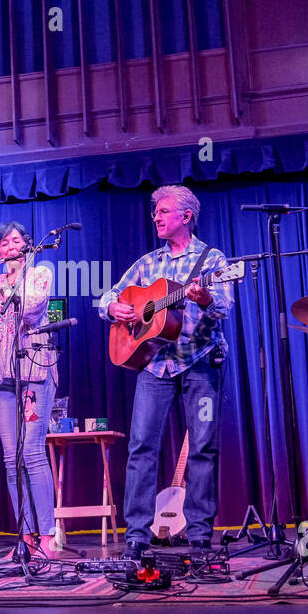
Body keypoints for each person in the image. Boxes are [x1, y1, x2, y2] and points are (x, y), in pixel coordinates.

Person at [98, 185, 234, 558]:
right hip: (155, 365)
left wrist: (206, 298)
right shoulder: (147, 263)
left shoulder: (212, 259)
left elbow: (224, 306)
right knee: (142, 447)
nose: (156, 216)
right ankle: (138, 537)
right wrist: (115, 310)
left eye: (164, 211)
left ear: (186, 217)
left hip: (201, 362)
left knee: (204, 448)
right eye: (155, 211)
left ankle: (201, 536)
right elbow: (109, 296)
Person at [0, 221, 71, 559]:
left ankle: (48, 537)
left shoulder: (39, 276)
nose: (9, 247)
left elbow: (31, 309)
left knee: (33, 454)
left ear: (27, 246)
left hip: (34, 373)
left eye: (15, 241)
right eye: (3, 244)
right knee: (11, 459)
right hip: (1, 379)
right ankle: (26, 538)